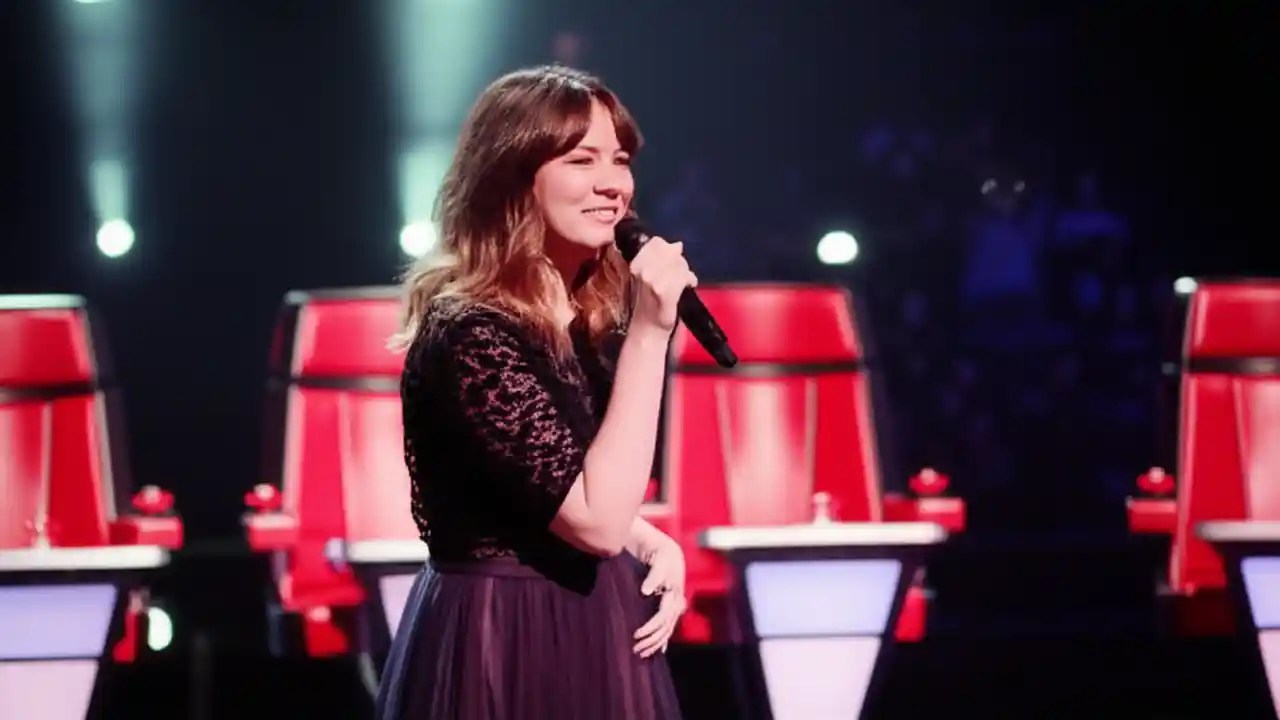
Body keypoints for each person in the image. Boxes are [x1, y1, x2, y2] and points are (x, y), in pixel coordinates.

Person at [377, 65, 691, 719]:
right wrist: (651, 334)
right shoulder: (470, 333)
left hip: (595, 617)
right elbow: (594, 521)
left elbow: (551, 486)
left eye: (620, 160)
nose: (613, 184)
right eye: (582, 159)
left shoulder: (584, 323)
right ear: (514, 178)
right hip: (503, 631)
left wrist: (647, 539)